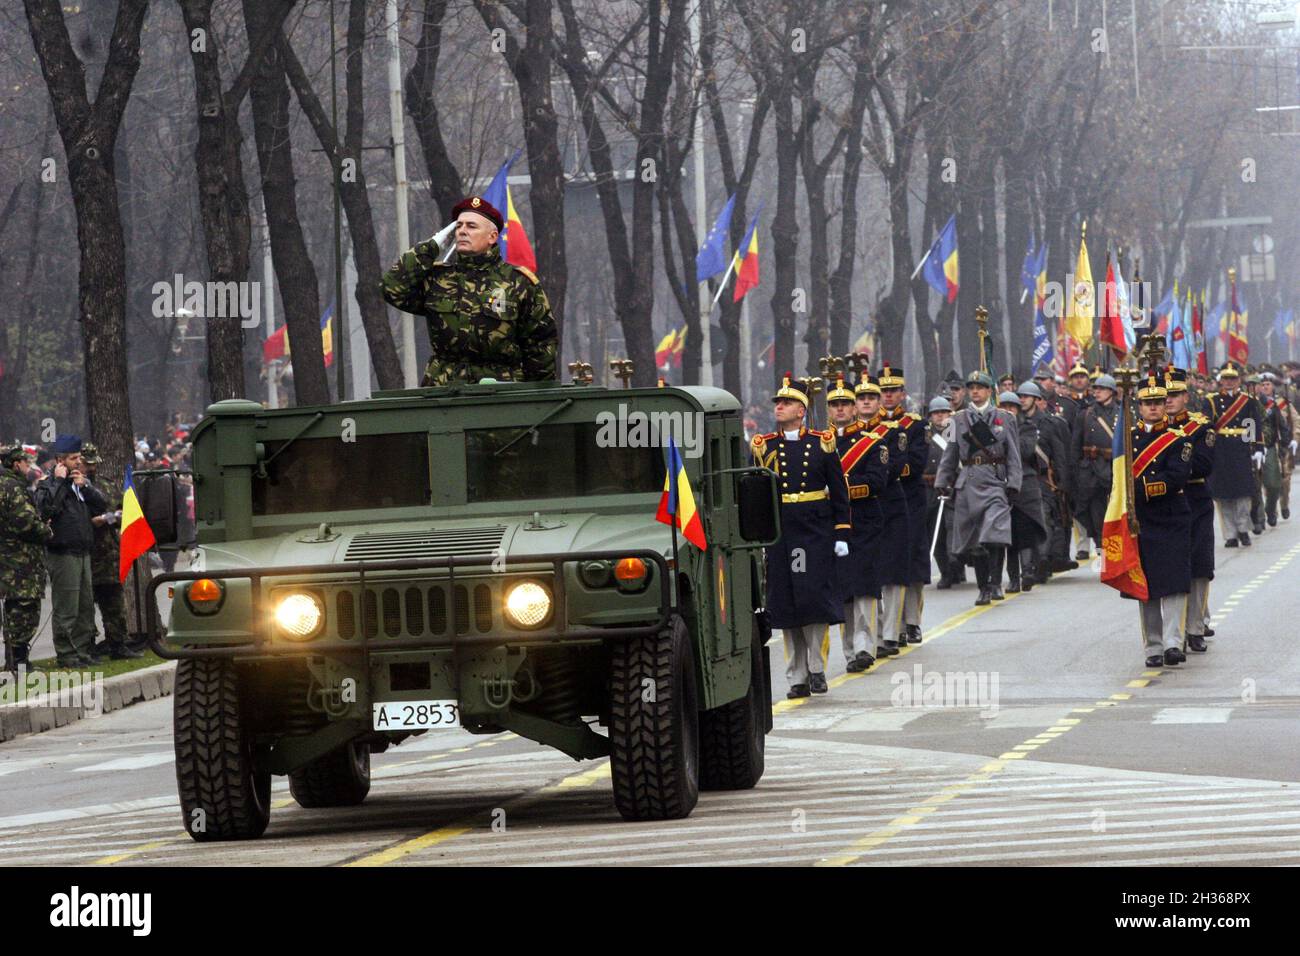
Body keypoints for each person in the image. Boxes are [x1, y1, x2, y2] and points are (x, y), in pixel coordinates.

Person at [380, 195, 558, 386]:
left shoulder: (518, 282)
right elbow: (392, 288)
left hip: (501, 392)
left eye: (471, 226)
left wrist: (535, 398)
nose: (462, 231)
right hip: (443, 391)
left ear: (492, 236)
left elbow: (541, 345)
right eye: (459, 226)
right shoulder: (437, 278)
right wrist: (432, 246)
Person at [752, 376, 851, 698]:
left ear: (801, 410)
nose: (779, 408)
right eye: (777, 403)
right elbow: (754, 494)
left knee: (813, 601)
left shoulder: (822, 442)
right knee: (785, 604)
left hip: (813, 530)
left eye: (786, 403)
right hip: (781, 532)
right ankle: (796, 676)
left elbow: (839, 490)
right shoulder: (764, 446)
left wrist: (841, 531)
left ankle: (817, 668)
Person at [934, 371, 1022, 606]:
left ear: (989, 391)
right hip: (968, 483)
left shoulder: (1005, 418)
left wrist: (1014, 482)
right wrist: (942, 481)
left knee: (993, 536)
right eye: (971, 387)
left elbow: (1013, 454)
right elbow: (950, 454)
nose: (975, 391)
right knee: (975, 543)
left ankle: (995, 583)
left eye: (980, 387)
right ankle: (984, 588)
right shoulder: (957, 419)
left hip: (995, 482)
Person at [1128, 373, 1193, 668]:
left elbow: (1176, 476)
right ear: (1139, 407)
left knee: (1174, 583)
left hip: (1171, 517)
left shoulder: (1179, 440)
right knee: (1147, 586)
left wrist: (1139, 490)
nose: (1154, 407)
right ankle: (1152, 646)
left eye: (1158, 402)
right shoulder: (1128, 439)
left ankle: (1172, 643)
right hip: (1142, 520)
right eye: (1147, 403)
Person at [826, 375, 889, 673]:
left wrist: (840, 489)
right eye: (834, 404)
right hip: (834, 525)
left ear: (854, 408)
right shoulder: (819, 444)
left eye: (845, 404)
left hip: (864, 522)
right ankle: (849, 650)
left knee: (864, 586)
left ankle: (865, 646)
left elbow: (877, 482)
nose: (840, 409)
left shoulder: (872, 443)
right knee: (844, 589)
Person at [34, 436, 107, 667]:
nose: (78, 462)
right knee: (67, 607)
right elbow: (46, 509)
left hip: (83, 550)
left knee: (85, 607)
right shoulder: (47, 485)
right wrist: (58, 483)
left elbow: (101, 505)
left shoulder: (80, 485)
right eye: (73, 459)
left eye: (78, 458)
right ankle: (66, 654)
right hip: (63, 553)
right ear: (60, 461)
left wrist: (85, 486)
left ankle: (83, 651)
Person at [878, 365, 929, 646]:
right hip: (883, 499)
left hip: (910, 498)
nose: (887, 396)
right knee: (890, 564)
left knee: (914, 560)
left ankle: (913, 620)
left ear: (902, 393)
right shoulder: (871, 426)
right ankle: (893, 625)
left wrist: (888, 472)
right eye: (883, 391)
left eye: (892, 391)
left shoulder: (914, 424)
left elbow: (916, 462)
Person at [1166, 368, 1215, 653]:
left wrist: (1172, 472)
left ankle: (1195, 626)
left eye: (1174, 395)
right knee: (1171, 567)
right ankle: (1170, 632)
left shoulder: (1201, 427)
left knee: (1199, 566)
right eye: (1165, 396)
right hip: (1165, 504)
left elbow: (1204, 465)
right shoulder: (1151, 428)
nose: (1169, 401)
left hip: (1195, 500)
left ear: (1185, 396)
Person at [81, 444, 142, 660]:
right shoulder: (73, 489)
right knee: (85, 607)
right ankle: (86, 648)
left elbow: (124, 512)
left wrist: (111, 518)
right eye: (87, 464)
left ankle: (118, 644)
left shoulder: (105, 485)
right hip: (86, 555)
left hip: (109, 555)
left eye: (94, 463)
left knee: (114, 604)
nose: (91, 467)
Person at [0, 446, 52, 671]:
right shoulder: (13, 487)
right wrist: (46, 530)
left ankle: (16, 659)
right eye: (25, 462)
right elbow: (25, 521)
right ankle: (18, 660)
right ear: (15, 464)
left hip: (11, 559)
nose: (29, 466)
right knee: (24, 608)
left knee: (15, 609)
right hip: (20, 560)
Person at [1206, 365, 1264, 547]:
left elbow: (1252, 424)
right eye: (1226, 378)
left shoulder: (1248, 401)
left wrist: (1257, 448)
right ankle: (1230, 534)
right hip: (1220, 450)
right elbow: (1208, 426)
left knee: (1243, 493)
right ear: (1221, 381)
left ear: (1239, 380)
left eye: (1233, 379)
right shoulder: (1212, 401)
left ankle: (1243, 529)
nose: (1229, 382)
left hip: (1240, 449)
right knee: (1223, 495)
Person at [1004, 383, 1053, 590]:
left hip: (1025, 484)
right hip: (1003, 485)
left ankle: (1028, 571)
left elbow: (1025, 450)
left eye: (1012, 408)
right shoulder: (994, 427)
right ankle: (1013, 578)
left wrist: (1005, 434)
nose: (1008, 411)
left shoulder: (1027, 427)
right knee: (1007, 536)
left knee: (1026, 530)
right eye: (1004, 407)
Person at [1071, 373, 1120, 558]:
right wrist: (1074, 473)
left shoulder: (1122, 414)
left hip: (1113, 470)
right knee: (1094, 516)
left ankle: (1113, 554)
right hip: (1090, 472)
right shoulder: (1086, 414)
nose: (1097, 392)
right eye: (1096, 389)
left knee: (1113, 515)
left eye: (1102, 389)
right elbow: (1075, 447)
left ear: (1112, 392)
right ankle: (1103, 556)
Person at [924, 397, 961, 589]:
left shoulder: (954, 433)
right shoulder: (925, 435)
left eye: (944, 412)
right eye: (936, 412)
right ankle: (945, 571)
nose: (940, 415)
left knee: (952, 527)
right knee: (935, 532)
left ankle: (955, 565)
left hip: (952, 487)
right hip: (930, 488)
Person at [1255, 373, 1293, 528]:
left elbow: (1282, 425)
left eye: (1266, 384)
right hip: (1252, 449)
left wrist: (1287, 443)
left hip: (1269, 448)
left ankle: (1271, 510)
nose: (1263, 387)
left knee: (1274, 485)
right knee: (1255, 486)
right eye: (1260, 384)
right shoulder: (1246, 404)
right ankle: (1259, 519)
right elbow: (1247, 425)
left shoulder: (1274, 404)